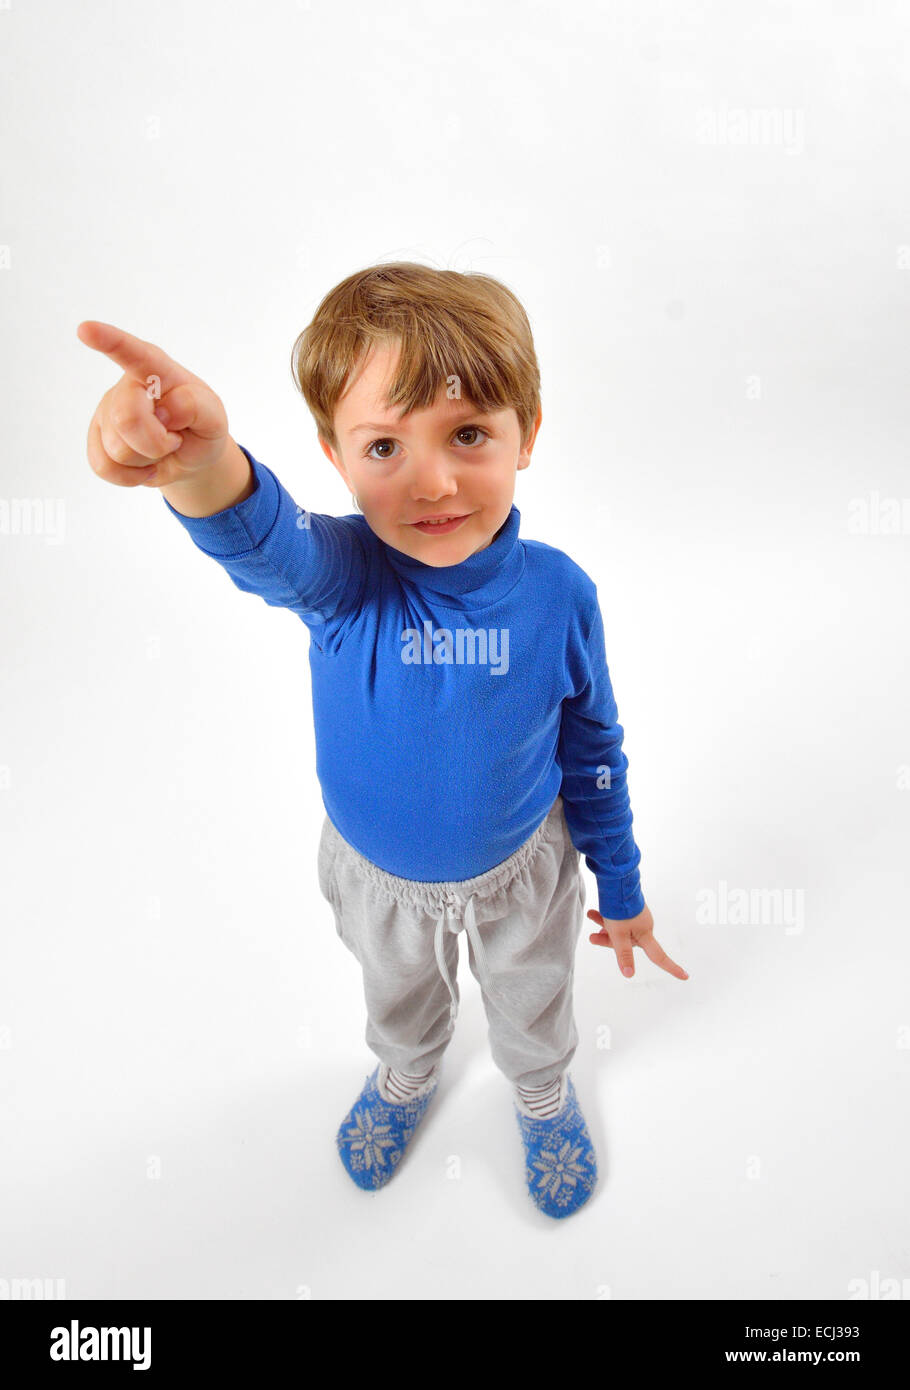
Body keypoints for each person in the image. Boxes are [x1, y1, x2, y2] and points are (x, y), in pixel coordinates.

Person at [77, 261, 688, 1220]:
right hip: (375, 877)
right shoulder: (343, 580)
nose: (433, 480)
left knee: (531, 998)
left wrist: (624, 883)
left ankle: (540, 1089)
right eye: (384, 446)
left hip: (522, 871)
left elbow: (594, 748)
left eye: (470, 433)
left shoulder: (561, 594)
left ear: (528, 434)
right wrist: (200, 462)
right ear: (335, 453)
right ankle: (407, 1071)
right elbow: (261, 537)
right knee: (397, 996)